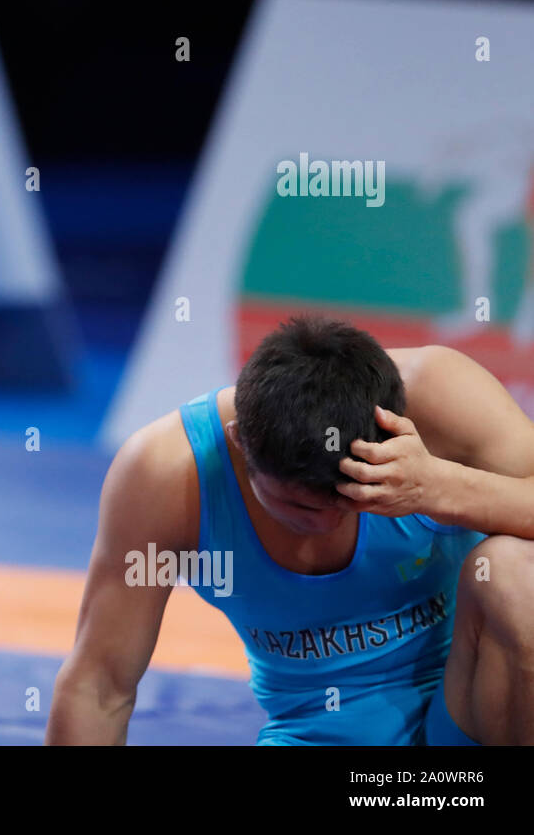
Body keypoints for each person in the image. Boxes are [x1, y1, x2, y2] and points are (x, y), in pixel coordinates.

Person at [46, 314, 534, 745]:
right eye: (299, 505)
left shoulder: (439, 394)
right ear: (242, 443)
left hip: (475, 709)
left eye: (351, 502)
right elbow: (100, 685)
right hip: (318, 731)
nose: (325, 522)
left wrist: (443, 487)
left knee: (513, 573)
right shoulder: (166, 476)